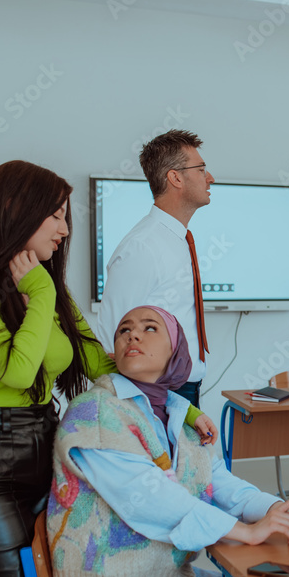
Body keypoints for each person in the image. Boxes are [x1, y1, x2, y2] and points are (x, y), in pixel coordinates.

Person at [0, 161, 215, 577]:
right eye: (55, 217)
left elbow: (101, 361)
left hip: (45, 449)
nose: (64, 230)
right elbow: (17, 372)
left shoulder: (48, 290)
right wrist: (39, 292)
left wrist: (178, 405)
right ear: (18, 212)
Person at [48, 306, 289, 577]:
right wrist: (245, 533)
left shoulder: (176, 414)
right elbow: (153, 499)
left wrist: (286, 512)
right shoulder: (96, 414)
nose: (133, 335)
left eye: (149, 327)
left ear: (176, 351)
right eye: (124, 330)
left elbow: (218, 480)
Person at [99, 129, 216, 408]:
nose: (210, 178)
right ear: (175, 177)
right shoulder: (142, 246)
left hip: (183, 389)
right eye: (201, 169)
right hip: (157, 393)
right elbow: (111, 335)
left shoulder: (177, 238)